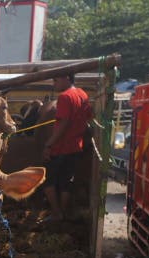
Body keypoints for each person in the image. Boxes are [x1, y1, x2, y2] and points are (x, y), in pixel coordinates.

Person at [41, 73, 93, 221]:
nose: (54, 83)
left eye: (56, 80)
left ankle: (56, 213)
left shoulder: (64, 97)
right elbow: (89, 116)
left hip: (60, 147)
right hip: (76, 147)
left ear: (67, 78)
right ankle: (63, 211)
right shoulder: (82, 94)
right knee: (66, 180)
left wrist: (48, 144)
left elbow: (63, 124)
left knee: (48, 182)